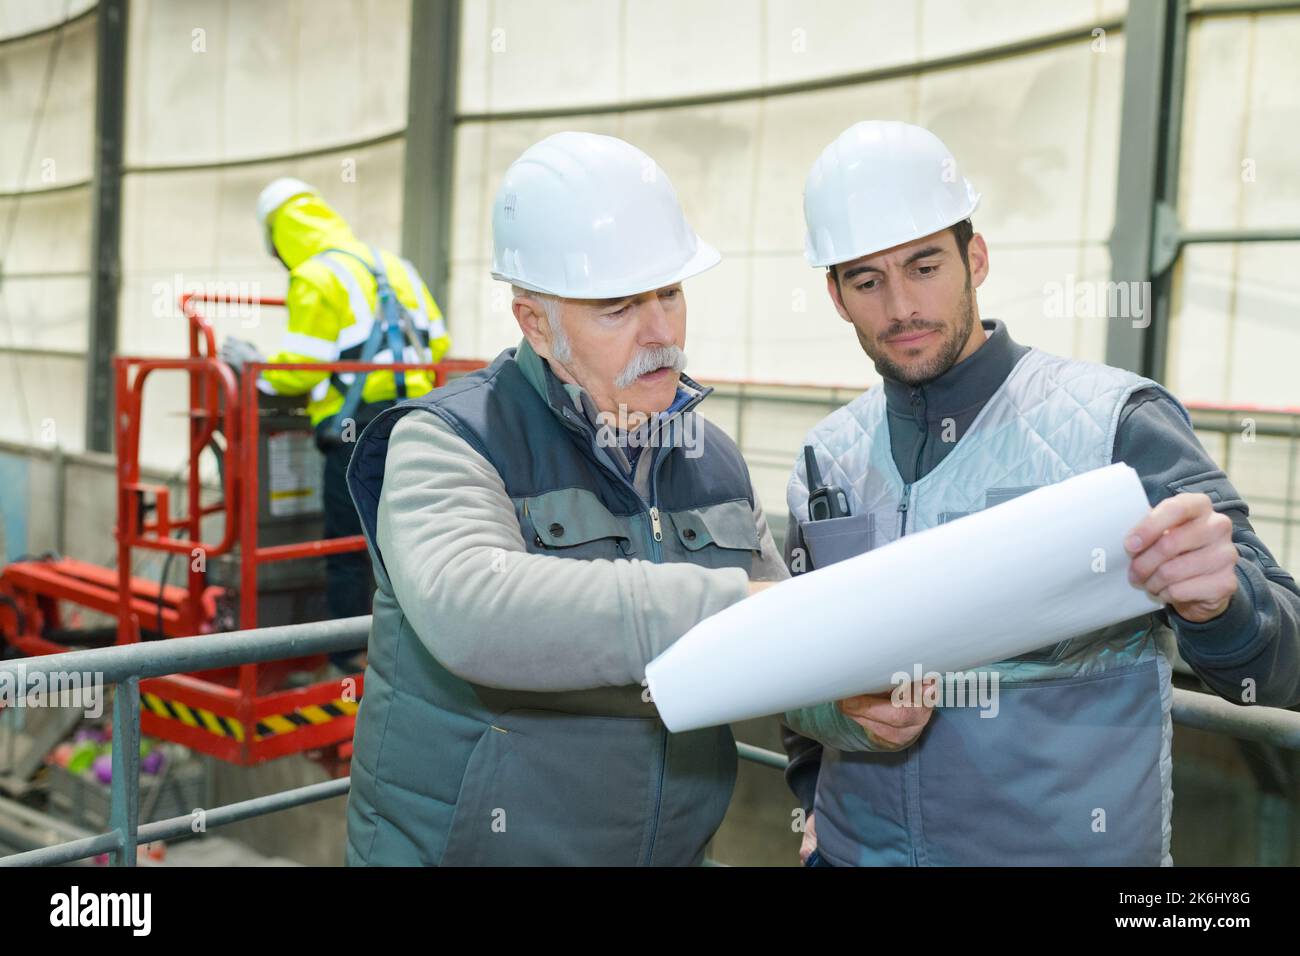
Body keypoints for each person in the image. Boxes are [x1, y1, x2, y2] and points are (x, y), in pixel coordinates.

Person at [782, 120, 1300, 866]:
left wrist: (1223, 605)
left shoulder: (1117, 424)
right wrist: (810, 798)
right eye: (867, 280)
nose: (900, 307)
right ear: (835, 296)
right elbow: (800, 670)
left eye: (924, 265)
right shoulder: (825, 459)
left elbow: (1278, 668)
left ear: (976, 258)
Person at [342, 132, 787, 865]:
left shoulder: (714, 461)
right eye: (617, 307)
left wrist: (851, 711)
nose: (662, 333)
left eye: (670, 294)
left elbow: (789, 631)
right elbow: (473, 608)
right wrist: (732, 608)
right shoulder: (448, 441)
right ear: (535, 323)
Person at [221, 180, 450, 667]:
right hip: (418, 421)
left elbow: (301, 369)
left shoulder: (315, 276)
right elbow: (440, 343)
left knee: (347, 542)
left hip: (356, 432)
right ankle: (417, 648)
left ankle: (350, 654)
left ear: (280, 237)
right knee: (407, 539)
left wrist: (253, 365)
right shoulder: (396, 266)